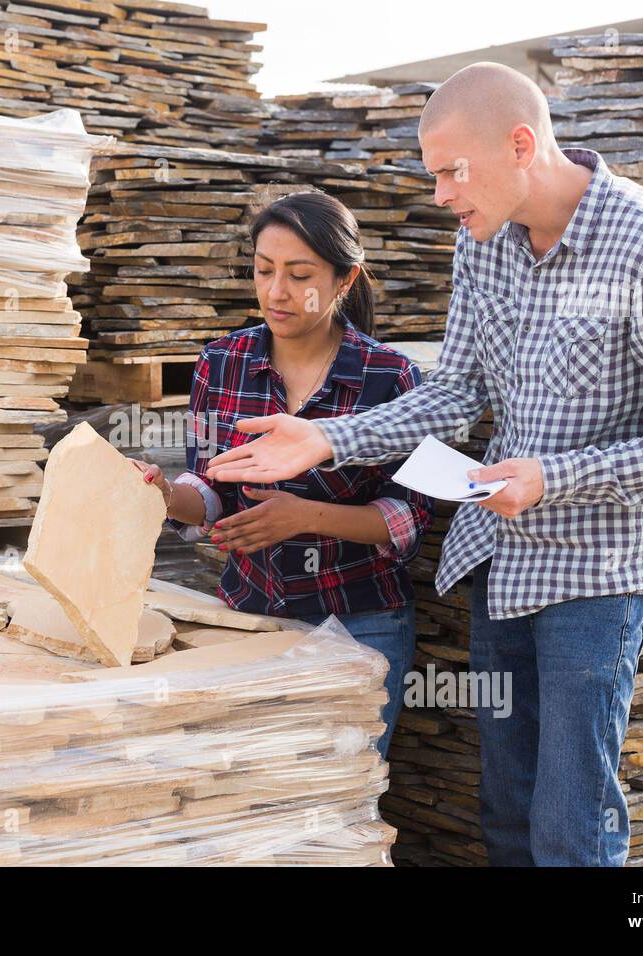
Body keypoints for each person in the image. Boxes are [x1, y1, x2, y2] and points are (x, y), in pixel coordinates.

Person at [204, 63, 643, 866]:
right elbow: (454, 392)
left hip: (600, 573)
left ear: (522, 145)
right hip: (503, 560)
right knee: (506, 811)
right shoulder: (482, 245)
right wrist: (328, 440)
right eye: (433, 175)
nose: (443, 194)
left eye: (453, 171)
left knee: (569, 821)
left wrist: (553, 477)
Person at [133, 190, 432, 758]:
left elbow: (406, 519)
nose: (276, 291)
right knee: (260, 793)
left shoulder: (388, 377)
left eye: (299, 275)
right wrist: (166, 494)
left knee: (344, 795)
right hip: (247, 616)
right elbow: (211, 489)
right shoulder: (221, 362)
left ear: (345, 280)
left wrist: (302, 518)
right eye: (264, 270)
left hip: (360, 621)